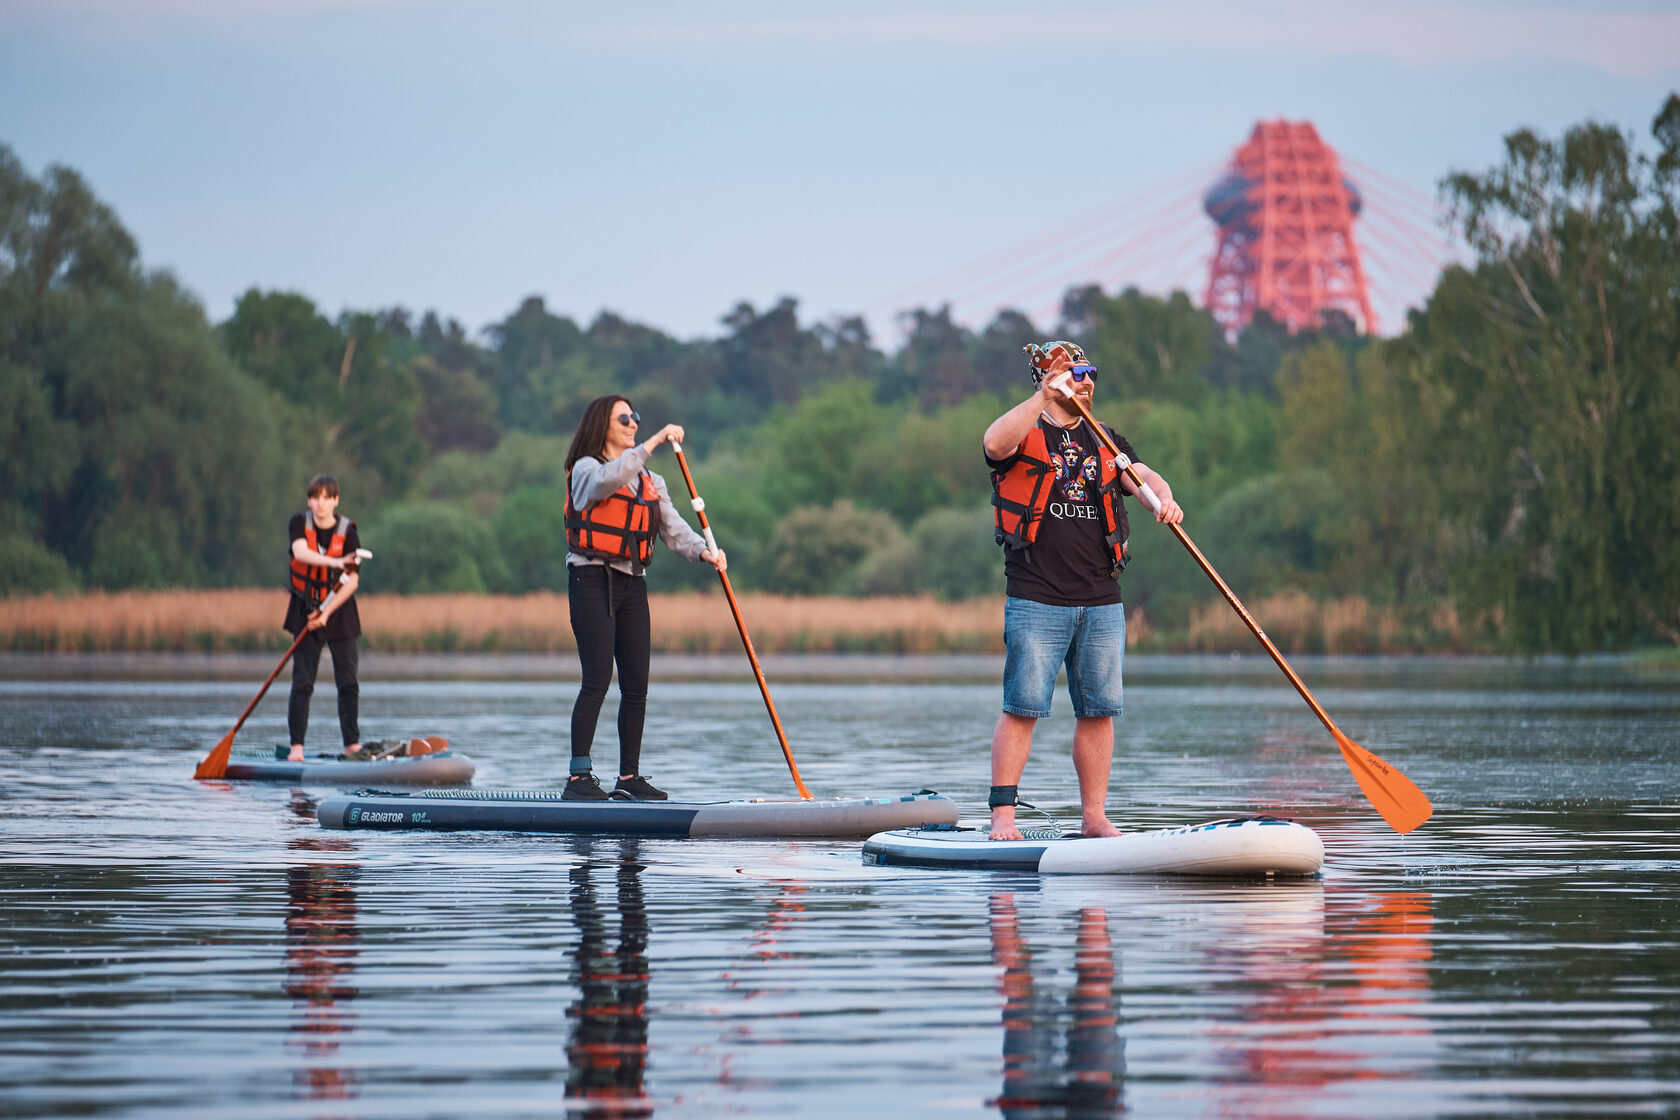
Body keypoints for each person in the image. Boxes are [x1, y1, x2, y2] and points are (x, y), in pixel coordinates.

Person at [982, 341, 1184, 841]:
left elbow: (1143, 477)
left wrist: (1164, 499)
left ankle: (1094, 818)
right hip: (1037, 595)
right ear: (1047, 379)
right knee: (1022, 707)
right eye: (1074, 373)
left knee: (1099, 711)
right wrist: (1043, 396)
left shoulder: (1106, 440)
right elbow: (993, 445)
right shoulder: (1025, 430)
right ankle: (1003, 817)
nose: (1086, 380)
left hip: (1100, 597)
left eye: (1089, 371)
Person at [562, 395, 727, 801]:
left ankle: (629, 777)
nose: (633, 423)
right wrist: (653, 442)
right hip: (591, 578)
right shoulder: (585, 468)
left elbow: (673, 528)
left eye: (635, 417)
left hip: (632, 583)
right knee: (597, 679)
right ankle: (579, 779)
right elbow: (606, 482)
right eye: (624, 418)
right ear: (602, 424)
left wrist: (704, 551)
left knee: (636, 684)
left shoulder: (651, 481)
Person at [285, 474, 363, 763]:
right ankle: (296, 747)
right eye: (315, 497)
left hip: (339, 612)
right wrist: (335, 562)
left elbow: (352, 582)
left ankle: (351, 745)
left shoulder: (349, 531)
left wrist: (326, 613)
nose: (320, 504)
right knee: (302, 681)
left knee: (348, 682)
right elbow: (300, 553)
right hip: (305, 609)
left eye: (327, 498)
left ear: (336, 501)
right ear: (309, 500)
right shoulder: (298, 523)